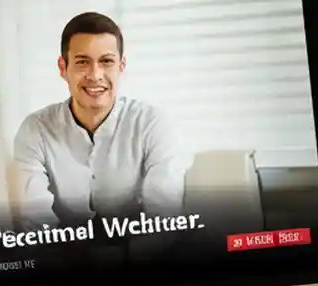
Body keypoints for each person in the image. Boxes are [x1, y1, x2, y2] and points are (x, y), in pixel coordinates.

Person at [12, 12, 189, 232]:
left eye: (106, 61)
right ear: (62, 67)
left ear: (121, 66)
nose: (95, 75)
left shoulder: (153, 124)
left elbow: (164, 219)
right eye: (82, 62)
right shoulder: (35, 130)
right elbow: (37, 225)